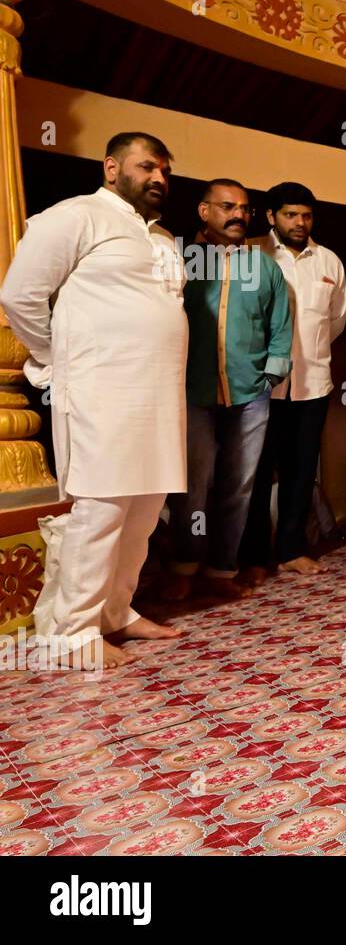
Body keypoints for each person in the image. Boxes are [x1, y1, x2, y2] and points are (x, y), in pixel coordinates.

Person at [0, 131, 184, 668]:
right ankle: (71, 632)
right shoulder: (74, 216)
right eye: (147, 165)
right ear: (111, 167)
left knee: (145, 509)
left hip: (158, 393)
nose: (158, 177)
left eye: (165, 169)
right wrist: (56, 357)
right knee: (101, 507)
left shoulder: (165, 238)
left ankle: (115, 611)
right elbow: (19, 294)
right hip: (101, 389)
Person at [160, 179, 292, 602]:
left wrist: (271, 373)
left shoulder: (265, 266)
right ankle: (183, 566)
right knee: (191, 486)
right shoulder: (180, 259)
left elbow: (280, 324)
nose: (239, 215)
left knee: (239, 485)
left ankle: (221, 570)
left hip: (249, 393)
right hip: (192, 390)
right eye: (227, 206)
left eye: (245, 208)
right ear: (204, 211)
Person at [241, 182, 346, 580]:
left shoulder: (329, 261)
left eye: (306, 215)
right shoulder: (251, 254)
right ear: (271, 217)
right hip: (260, 386)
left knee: (301, 471)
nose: (300, 222)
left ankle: (291, 549)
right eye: (290, 215)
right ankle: (251, 557)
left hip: (312, 382)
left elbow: (336, 320)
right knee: (254, 471)